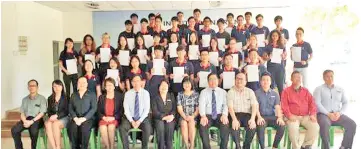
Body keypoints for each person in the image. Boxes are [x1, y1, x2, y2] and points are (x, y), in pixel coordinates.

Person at [314, 70, 356, 149]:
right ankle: (326, 147)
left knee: (352, 124)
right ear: (323, 78)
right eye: (327, 76)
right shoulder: (319, 89)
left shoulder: (340, 89)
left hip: (337, 114)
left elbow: (345, 102)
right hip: (323, 114)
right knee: (324, 124)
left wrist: (340, 113)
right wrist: (328, 114)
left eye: (331, 76)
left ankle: (344, 146)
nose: (330, 78)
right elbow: (317, 104)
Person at [281, 71, 319, 149]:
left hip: (305, 116)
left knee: (315, 127)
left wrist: (312, 114)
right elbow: (284, 105)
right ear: (291, 79)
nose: (298, 79)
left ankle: (305, 146)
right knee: (293, 129)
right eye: (296, 77)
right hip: (292, 116)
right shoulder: (286, 91)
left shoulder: (306, 91)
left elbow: (312, 103)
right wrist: (289, 115)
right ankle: (296, 147)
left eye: (299, 77)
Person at [12, 79, 47, 149]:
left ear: (37, 87)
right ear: (28, 87)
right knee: (14, 130)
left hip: (37, 120)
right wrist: (25, 121)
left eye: (33, 85)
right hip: (26, 119)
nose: (31, 87)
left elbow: (42, 113)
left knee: (33, 131)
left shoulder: (42, 98)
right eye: (30, 86)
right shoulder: (24, 99)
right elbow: (22, 113)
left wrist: (32, 121)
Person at [120, 75, 152, 149]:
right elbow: (126, 110)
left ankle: (144, 147)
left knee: (148, 128)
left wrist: (139, 121)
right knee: (122, 128)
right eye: (134, 81)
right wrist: (132, 121)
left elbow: (146, 109)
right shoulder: (127, 93)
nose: (136, 83)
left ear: (141, 82)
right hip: (130, 118)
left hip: (142, 118)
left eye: (138, 81)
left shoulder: (146, 93)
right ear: (131, 83)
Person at [227, 73, 258, 149]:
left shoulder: (250, 91)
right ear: (235, 80)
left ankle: (246, 146)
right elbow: (230, 107)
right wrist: (234, 119)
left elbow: (254, 105)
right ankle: (238, 146)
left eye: (241, 79)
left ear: (245, 81)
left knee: (252, 127)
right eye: (237, 78)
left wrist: (253, 118)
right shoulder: (231, 91)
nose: (239, 80)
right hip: (235, 114)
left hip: (247, 115)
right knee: (234, 128)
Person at [199, 73, 229, 149]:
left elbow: (226, 105)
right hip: (207, 116)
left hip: (220, 115)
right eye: (210, 80)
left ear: (218, 80)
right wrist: (203, 116)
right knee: (202, 126)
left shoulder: (223, 92)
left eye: (215, 79)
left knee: (225, 126)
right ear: (208, 81)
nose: (213, 81)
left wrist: (225, 115)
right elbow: (201, 105)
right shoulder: (203, 92)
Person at [255, 73, 285, 149]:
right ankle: (262, 147)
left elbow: (278, 107)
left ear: (270, 82)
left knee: (282, 126)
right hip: (261, 116)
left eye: (267, 80)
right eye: (263, 80)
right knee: (260, 126)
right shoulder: (256, 93)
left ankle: (274, 146)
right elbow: (255, 107)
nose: (265, 82)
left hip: (272, 117)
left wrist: (280, 117)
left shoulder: (275, 94)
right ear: (260, 82)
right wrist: (258, 117)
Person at [68, 77, 97, 149]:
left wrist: (83, 118)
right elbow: (70, 108)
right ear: (77, 84)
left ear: (87, 84)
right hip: (76, 118)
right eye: (79, 82)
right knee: (72, 127)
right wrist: (75, 118)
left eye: (84, 82)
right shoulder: (73, 95)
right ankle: (75, 147)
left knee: (84, 127)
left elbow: (94, 108)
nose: (81, 84)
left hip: (88, 119)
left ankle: (84, 147)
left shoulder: (92, 94)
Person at [98, 78, 123, 149]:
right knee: (102, 127)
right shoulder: (101, 97)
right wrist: (103, 117)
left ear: (114, 86)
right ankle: (108, 147)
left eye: (111, 85)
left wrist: (114, 117)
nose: (109, 87)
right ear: (105, 87)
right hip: (104, 118)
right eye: (107, 85)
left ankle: (112, 147)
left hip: (115, 118)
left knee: (111, 127)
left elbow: (121, 111)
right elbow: (98, 111)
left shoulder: (119, 96)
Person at [152, 80, 177, 149]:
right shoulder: (155, 97)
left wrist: (172, 116)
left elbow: (174, 108)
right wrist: (163, 117)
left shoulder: (171, 95)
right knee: (160, 126)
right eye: (162, 85)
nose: (163, 87)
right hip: (159, 118)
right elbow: (154, 111)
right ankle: (161, 147)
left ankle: (169, 147)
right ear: (159, 87)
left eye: (165, 85)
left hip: (170, 118)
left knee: (169, 126)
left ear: (168, 87)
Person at [45, 80, 69, 149]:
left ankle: (58, 147)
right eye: (54, 86)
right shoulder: (50, 98)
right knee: (47, 124)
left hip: (64, 117)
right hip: (53, 118)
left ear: (62, 87)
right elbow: (49, 111)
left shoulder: (66, 97)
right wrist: (51, 117)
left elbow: (67, 111)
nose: (57, 88)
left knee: (55, 124)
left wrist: (57, 115)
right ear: (52, 88)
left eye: (59, 86)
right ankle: (54, 147)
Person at [177, 77, 199, 149]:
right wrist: (185, 117)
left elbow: (198, 109)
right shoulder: (180, 94)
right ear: (182, 85)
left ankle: (192, 145)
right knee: (183, 123)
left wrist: (192, 117)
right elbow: (179, 108)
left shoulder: (196, 94)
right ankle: (186, 145)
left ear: (191, 84)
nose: (187, 85)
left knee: (191, 122)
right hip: (183, 116)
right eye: (185, 83)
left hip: (194, 116)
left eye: (188, 83)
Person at [265, 30, 287, 96]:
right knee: (270, 85)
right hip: (271, 68)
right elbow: (265, 58)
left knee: (280, 86)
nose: (274, 37)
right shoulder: (268, 46)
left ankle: (282, 102)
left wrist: (283, 56)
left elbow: (285, 57)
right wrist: (269, 57)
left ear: (279, 37)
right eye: (273, 36)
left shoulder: (282, 46)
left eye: (276, 36)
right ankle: (270, 101)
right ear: (271, 37)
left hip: (280, 68)